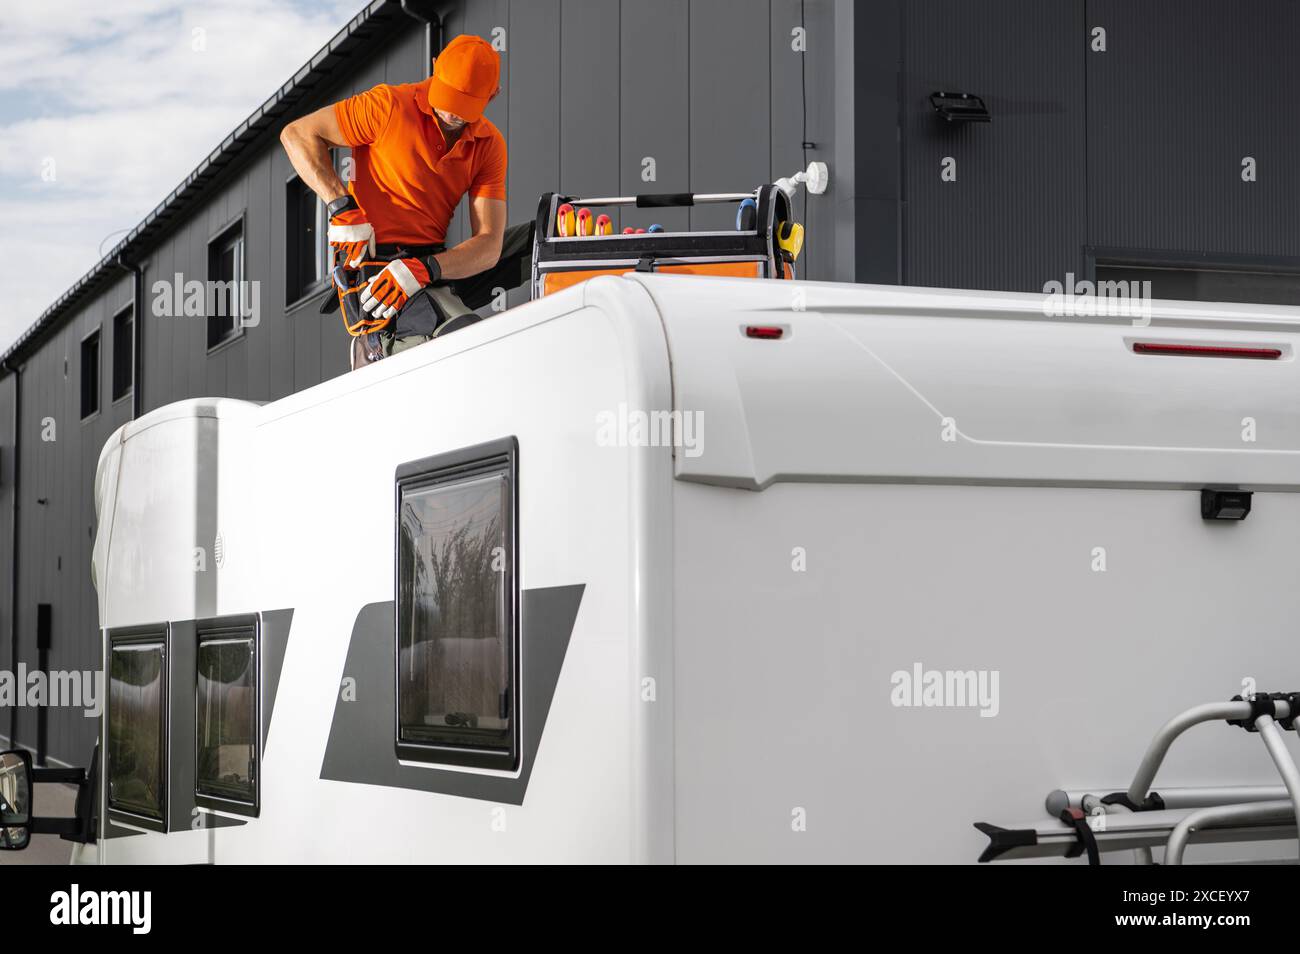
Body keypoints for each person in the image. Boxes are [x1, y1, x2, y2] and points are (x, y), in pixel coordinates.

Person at [280, 33, 530, 367]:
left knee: (547, 233)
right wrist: (340, 206)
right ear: (434, 68)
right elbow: (296, 135)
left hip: (433, 266)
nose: (451, 111)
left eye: (464, 105)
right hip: (376, 274)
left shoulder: (489, 145)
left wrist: (425, 268)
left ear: (493, 95)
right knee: (463, 336)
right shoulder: (388, 106)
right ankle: (376, 342)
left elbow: (488, 245)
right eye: (448, 97)